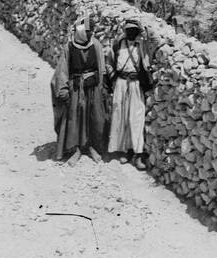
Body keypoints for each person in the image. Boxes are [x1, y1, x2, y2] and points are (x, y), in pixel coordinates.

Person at [51, 18, 108, 164]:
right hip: (76, 88)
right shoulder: (69, 47)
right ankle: (75, 149)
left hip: (93, 88)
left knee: (94, 117)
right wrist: (63, 90)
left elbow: (101, 68)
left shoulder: (96, 45)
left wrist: (103, 88)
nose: (91, 34)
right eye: (88, 32)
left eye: (91, 32)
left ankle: (91, 147)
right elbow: (62, 71)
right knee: (74, 118)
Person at [107, 17, 155, 168]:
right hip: (121, 84)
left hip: (135, 84)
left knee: (136, 117)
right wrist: (113, 76)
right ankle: (124, 150)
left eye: (134, 30)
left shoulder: (142, 46)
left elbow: (156, 43)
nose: (130, 33)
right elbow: (109, 62)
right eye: (128, 30)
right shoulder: (117, 45)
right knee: (121, 117)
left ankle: (138, 154)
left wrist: (146, 31)